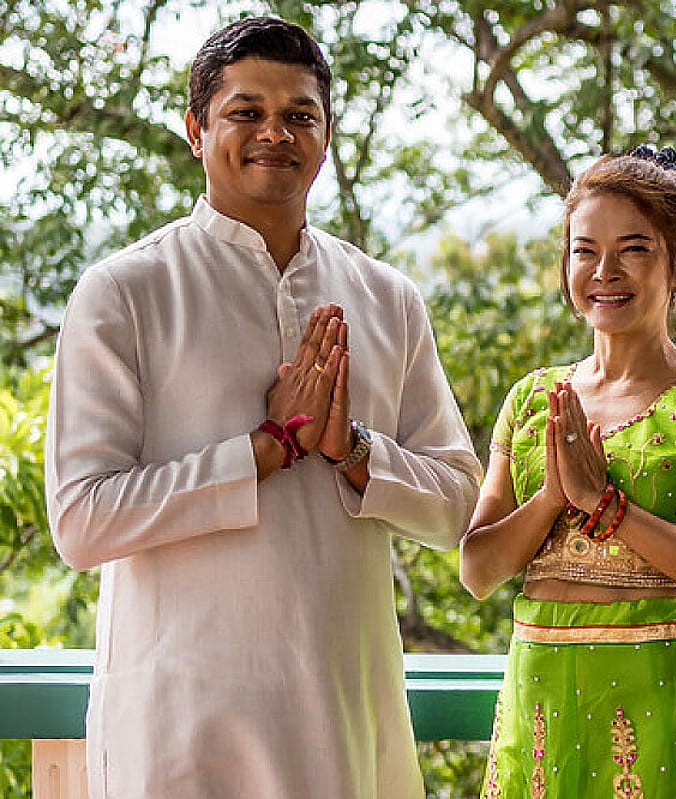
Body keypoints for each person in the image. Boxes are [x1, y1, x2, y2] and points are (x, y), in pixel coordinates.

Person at [44, 17, 481, 799]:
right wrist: (262, 447)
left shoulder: (386, 298)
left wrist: (354, 450)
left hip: (346, 718)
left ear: (327, 134)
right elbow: (82, 520)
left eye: (299, 115)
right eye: (246, 111)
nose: (274, 133)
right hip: (181, 728)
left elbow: (458, 504)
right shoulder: (126, 293)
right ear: (195, 128)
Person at [460, 145, 676, 798]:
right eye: (584, 250)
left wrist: (609, 506)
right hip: (540, 696)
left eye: (633, 249)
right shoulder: (531, 399)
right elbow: (478, 568)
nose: (605, 271)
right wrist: (553, 495)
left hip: (659, 700)